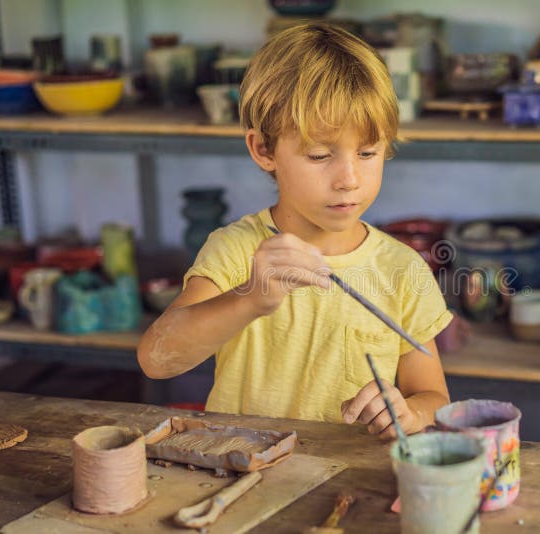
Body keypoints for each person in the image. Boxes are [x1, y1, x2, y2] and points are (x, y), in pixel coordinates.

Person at [137, 23, 452, 440]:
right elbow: (156, 360)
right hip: (243, 472)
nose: (349, 179)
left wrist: (408, 412)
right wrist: (250, 298)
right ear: (263, 150)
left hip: (350, 479)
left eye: (368, 152)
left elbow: (434, 398)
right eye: (321, 154)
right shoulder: (237, 251)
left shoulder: (403, 269)